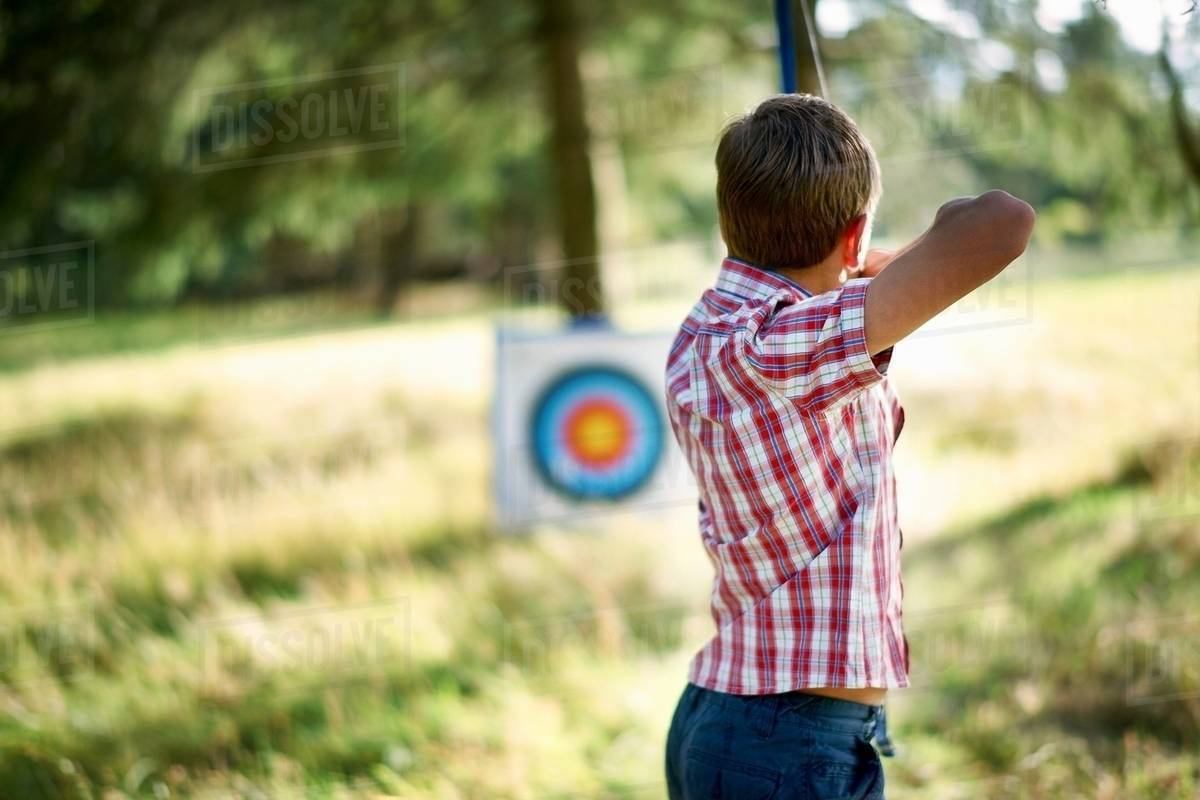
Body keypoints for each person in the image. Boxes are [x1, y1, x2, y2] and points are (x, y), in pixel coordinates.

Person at [663, 93, 1035, 799]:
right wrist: (877, 260)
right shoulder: (787, 349)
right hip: (788, 744)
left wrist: (864, 263)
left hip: (725, 721)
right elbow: (999, 220)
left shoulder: (707, 331)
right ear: (855, 235)